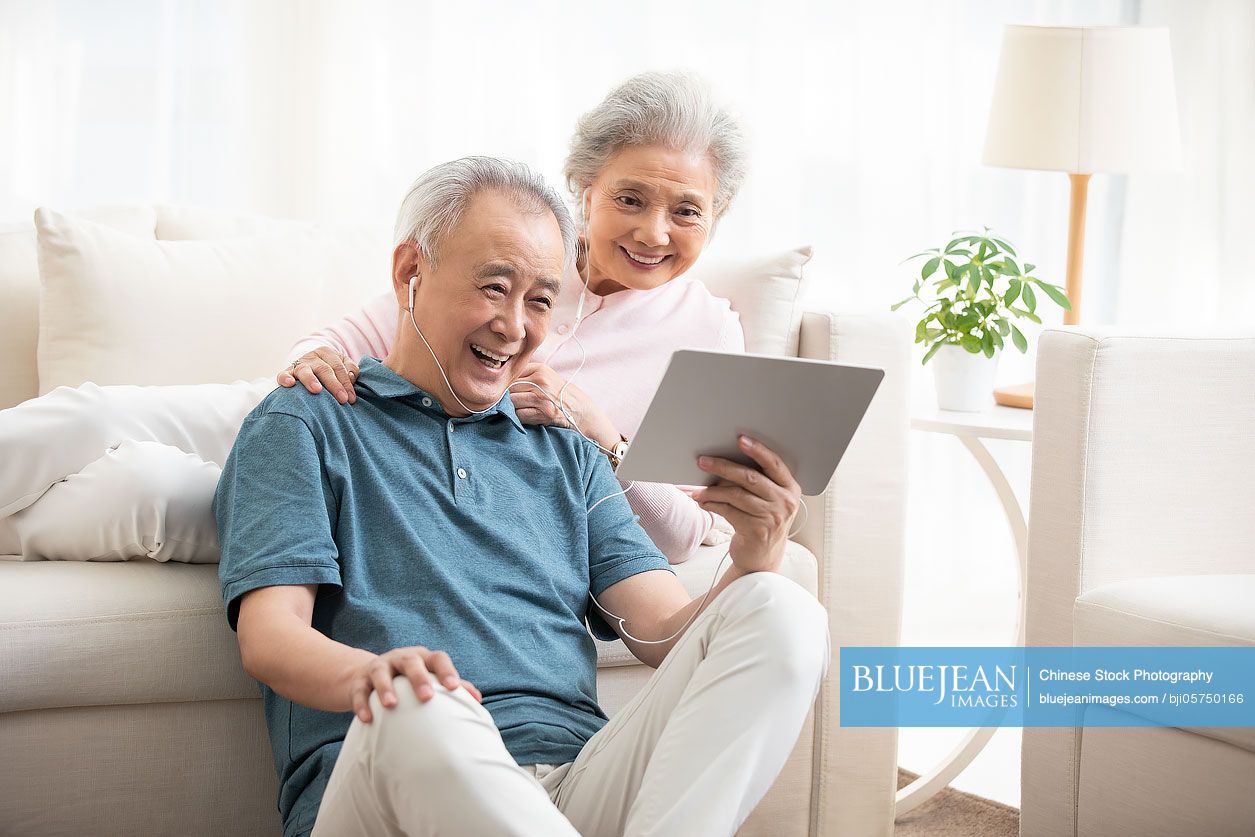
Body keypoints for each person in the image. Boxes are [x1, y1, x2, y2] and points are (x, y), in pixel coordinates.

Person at [216, 155, 828, 837]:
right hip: (394, 780)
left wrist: (752, 555)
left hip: (568, 788)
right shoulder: (304, 421)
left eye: (539, 298)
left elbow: (663, 633)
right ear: (409, 272)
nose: (514, 324)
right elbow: (270, 640)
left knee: (781, 605)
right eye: (493, 287)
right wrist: (381, 676)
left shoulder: (564, 449)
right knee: (424, 702)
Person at [0, 71, 746, 565]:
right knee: (90, 416)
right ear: (583, 188)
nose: (653, 231)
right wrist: (313, 356)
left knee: (151, 492)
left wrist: (605, 437)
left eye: (686, 211)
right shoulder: (519, 246)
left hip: (393, 494)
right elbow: (346, 337)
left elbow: (681, 539)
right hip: (333, 417)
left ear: (716, 218)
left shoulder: (709, 334)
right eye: (629, 199)